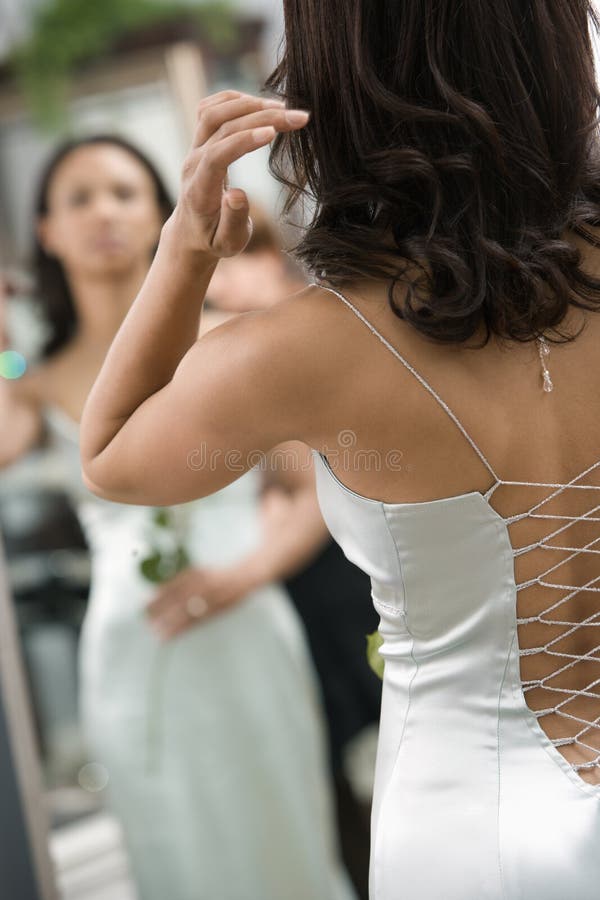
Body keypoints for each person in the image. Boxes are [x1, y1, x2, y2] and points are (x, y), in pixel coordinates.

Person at [78, 3, 600, 898]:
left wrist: (185, 248)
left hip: (470, 830)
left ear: (338, 84)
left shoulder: (300, 349)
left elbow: (114, 454)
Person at [0, 134, 357, 900]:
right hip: (133, 651)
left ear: (164, 214)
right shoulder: (34, 384)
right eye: (79, 197)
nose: (104, 213)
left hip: (247, 628)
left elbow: (307, 492)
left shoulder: (231, 346)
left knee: (284, 839)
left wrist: (241, 576)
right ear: (46, 232)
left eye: (125, 193)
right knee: (175, 854)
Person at [207, 202, 382, 900]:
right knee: (329, 759)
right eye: (215, 270)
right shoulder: (236, 341)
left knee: (371, 735)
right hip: (300, 581)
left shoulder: (305, 323)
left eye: (240, 260)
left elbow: (306, 472)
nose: (228, 282)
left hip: (345, 566)